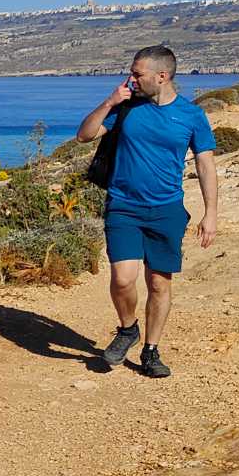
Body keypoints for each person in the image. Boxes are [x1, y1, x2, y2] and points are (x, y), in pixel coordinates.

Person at [74, 45, 219, 377]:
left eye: (137, 74)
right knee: (123, 279)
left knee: (159, 284)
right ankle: (128, 329)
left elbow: (205, 165)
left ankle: (151, 351)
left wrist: (210, 213)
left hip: (166, 210)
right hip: (123, 206)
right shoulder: (126, 108)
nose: (131, 79)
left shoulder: (191, 115)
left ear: (162, 76)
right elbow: (84, 136)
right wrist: (109, 102)